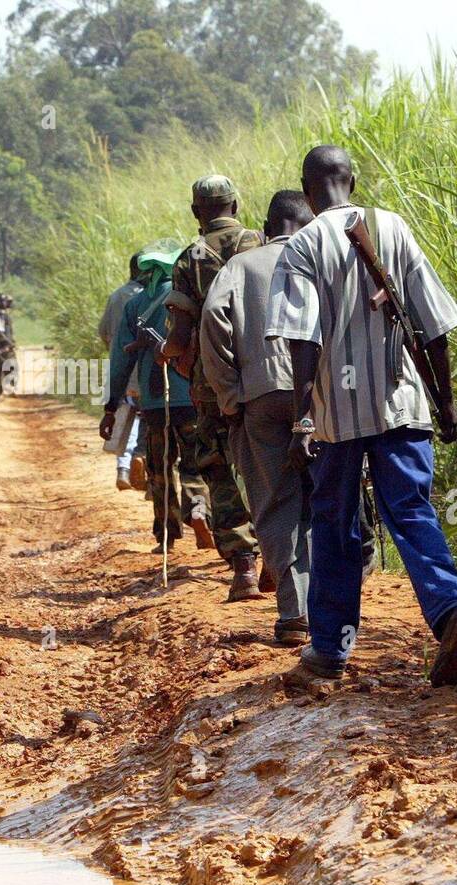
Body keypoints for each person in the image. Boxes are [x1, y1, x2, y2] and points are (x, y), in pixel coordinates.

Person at [268, 145, 457, 685]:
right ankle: (452, 611)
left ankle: (329, 652)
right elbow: (434, 321)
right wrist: (447, 400)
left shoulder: (303, 246)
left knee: (336, 526)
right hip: (403, 403)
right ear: (352, 181)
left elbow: (302, 341)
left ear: (307, 189)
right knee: (411, 512)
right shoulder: (394, 227)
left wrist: (300, 421)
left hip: (337, 417)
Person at [200, 189, 315, 645]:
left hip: (262, 396)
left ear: (266, 228)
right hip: (323, 398)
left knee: (275, 502)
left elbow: (213, 320)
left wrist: (231, 394)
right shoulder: (323, 259)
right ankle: (336, 607)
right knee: (328, 497)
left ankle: (293, 615)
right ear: (308, 225)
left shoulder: (240, 266)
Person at [162, 175, 265, 603]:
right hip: (269, 376)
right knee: (268, 462)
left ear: (196, 213)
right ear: (236, 206)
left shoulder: (190, 259)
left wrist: (168, 352)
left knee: (218, 465)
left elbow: (181, 334)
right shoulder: (262, 242)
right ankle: (280, 554)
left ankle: (244, 567)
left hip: (211, 384)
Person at [100, 242, 210, 551]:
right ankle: (198, 508)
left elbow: (121, 362)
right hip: (190, 397)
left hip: (153, 401)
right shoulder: (185, 298)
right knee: (193, 462)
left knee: (160, 469)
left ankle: (166, 535)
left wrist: (111, 406)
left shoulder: (135, 306)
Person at [100, 254, 147, 493]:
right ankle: (144, 463)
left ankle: (123, 469)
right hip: (147, 370)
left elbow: (105, 332)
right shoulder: (150, 297)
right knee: (146, 419)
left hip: (123, 371)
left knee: (127, 417)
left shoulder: (116, 295)